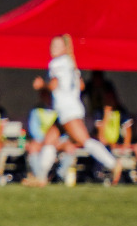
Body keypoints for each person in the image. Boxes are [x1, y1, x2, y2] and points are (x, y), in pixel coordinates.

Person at [47, 35, 116, 185]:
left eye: (57, 46)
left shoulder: (57, 63)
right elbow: (82, 85)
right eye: (52, 45)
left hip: (67, 110)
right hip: (72, 108)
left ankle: (113, 164)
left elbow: (53, 84)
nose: (52, 48)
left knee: (85, 141)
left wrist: (41, 85)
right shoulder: (70, 64)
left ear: (64, 48)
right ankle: (40, 177)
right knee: (48, 142)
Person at [22, 75, 62, 187]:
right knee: (34, 147)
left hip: (58, 140)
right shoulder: (36, 110)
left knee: (69, 148)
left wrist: (57, 140)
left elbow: (65, 128)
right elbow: (34, 129)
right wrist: (44, 140)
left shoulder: (59, 109)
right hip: (43, 140)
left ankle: (60, 176)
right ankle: (39, 176)